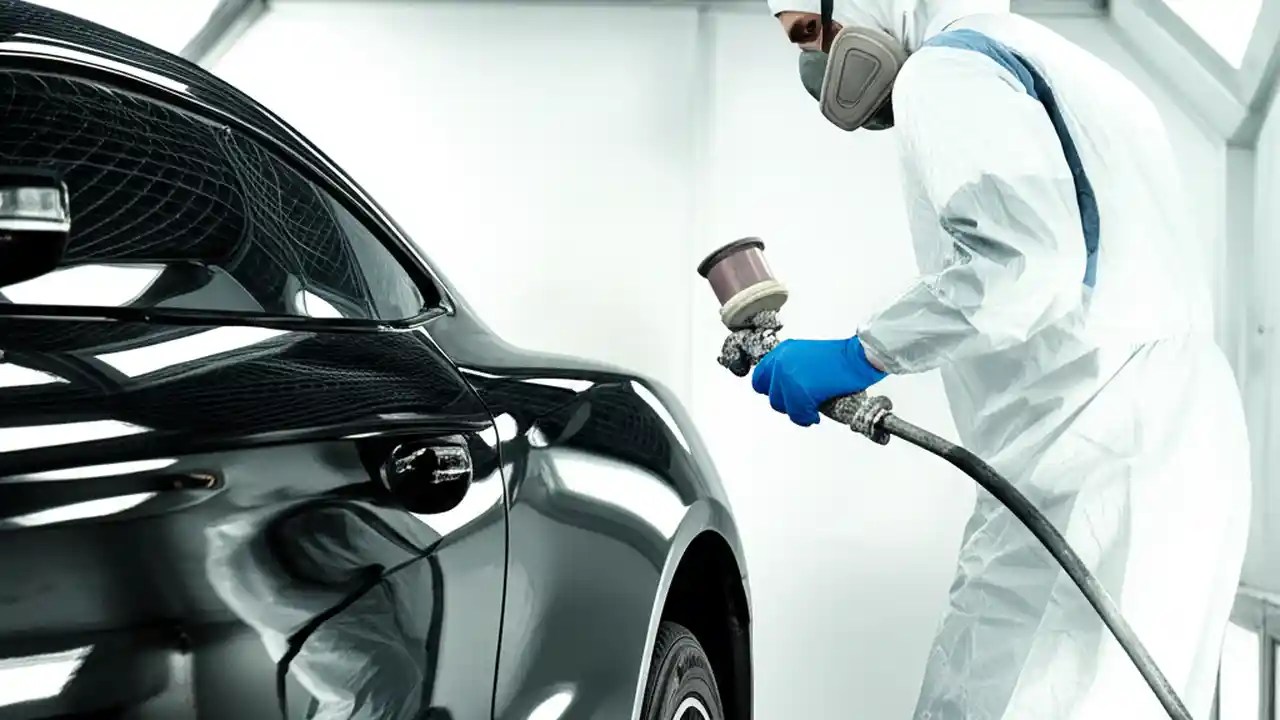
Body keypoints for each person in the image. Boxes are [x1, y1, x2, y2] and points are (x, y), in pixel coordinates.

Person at [752, 1, 1252, 718]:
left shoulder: (944, 72)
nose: (815, 65)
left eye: (809, 32)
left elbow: (1026, 261)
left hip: (1092, 452)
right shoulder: (1064, 64)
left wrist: (860, 354)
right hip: (1156, 440)